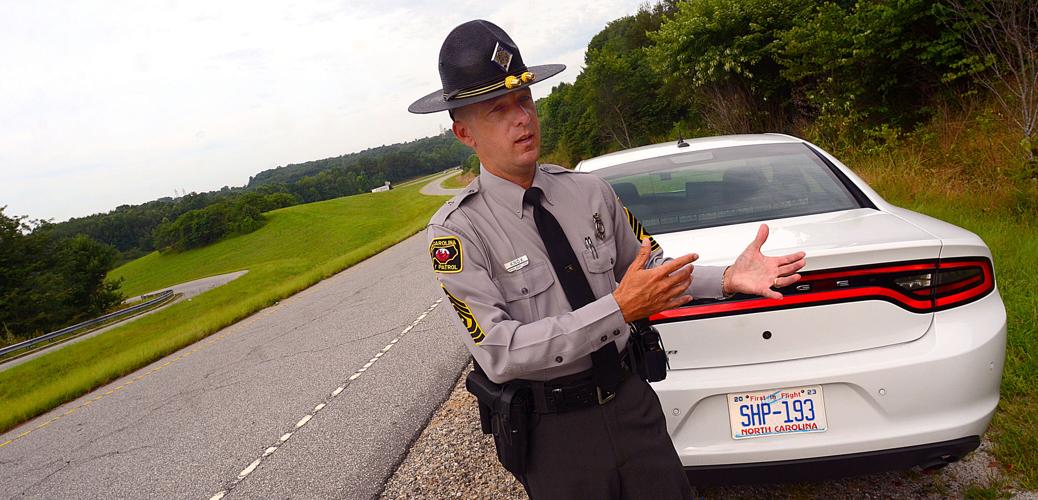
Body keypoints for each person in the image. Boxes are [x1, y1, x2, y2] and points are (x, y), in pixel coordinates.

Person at [409, 20, 807, 499]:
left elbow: (649, 274)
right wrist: (616, 310)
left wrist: (725, 277)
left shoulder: (590, 191)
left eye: (525, 101)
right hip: (554, 435)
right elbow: (499, 351)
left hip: (632, 403)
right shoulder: (456, 233)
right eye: (499, 110)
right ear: (464, 133)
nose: (523, 119)